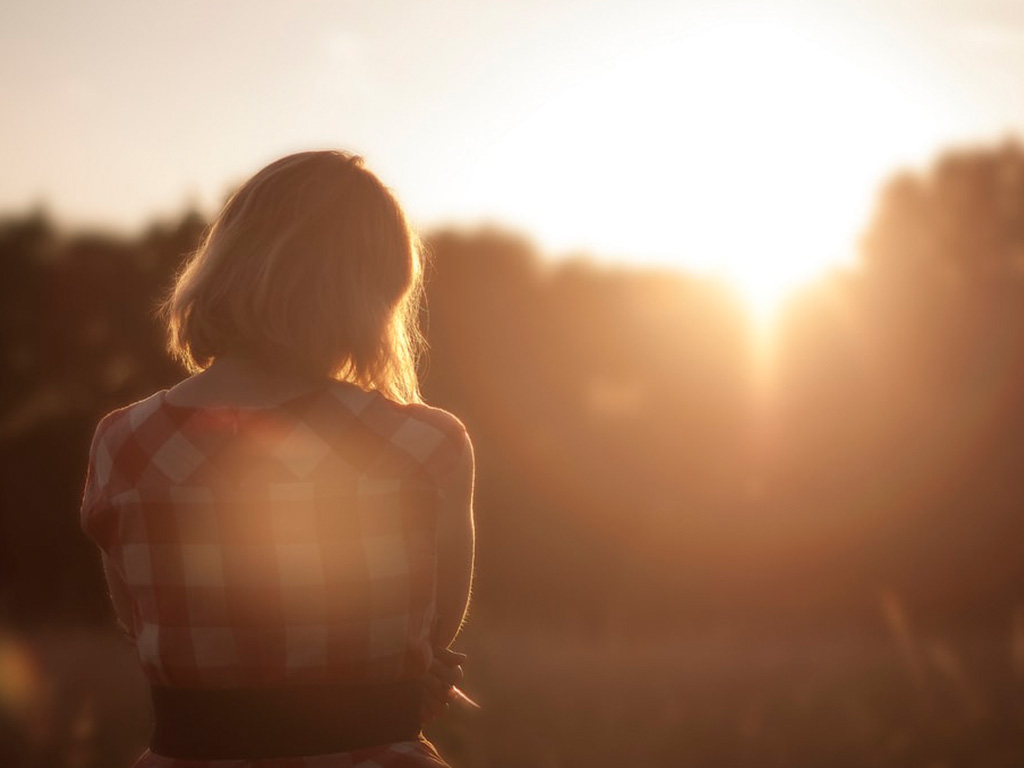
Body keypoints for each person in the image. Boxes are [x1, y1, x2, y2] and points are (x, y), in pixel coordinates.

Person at [79, 151, 475, 768]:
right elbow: (432, 631)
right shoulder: (425, 445)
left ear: (228, 261)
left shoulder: (123, 442)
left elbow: (144, 623)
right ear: (374, 292)